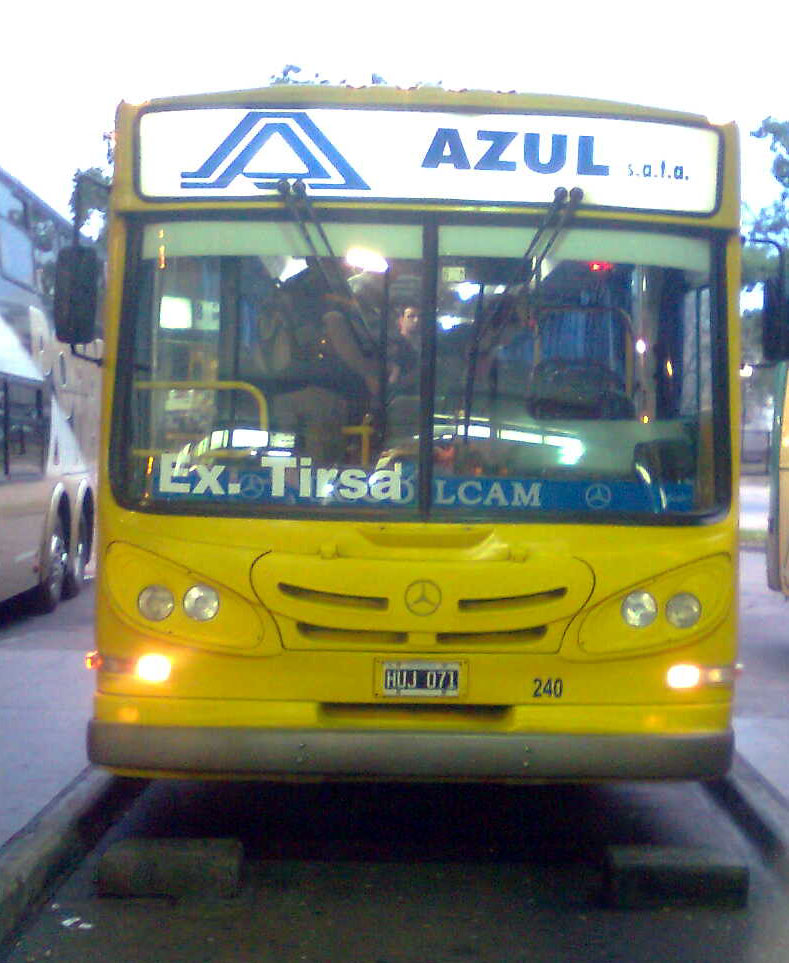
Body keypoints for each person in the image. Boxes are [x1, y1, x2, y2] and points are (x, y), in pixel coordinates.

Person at [388, 304, 420, 390]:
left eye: (419, 317)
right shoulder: (395, 344)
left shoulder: (425, 344)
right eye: (411, 316)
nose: (416, 320)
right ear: (401, 320)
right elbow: (394, 377)